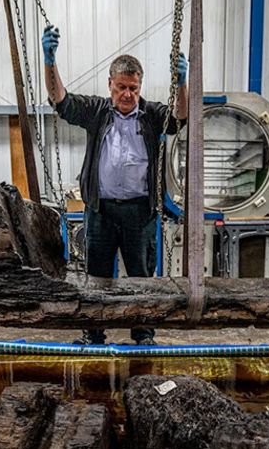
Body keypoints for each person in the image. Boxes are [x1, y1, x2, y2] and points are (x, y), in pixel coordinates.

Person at [42, 25, 188, 346]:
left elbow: (180, 117)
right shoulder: (96, 112)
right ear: (110, 84)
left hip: (140, 213)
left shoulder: (151, 115)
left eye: (133, 88)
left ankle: (143, 334)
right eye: (121, 87)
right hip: (102, 212)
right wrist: (49, 61)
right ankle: (94, 334)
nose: (127, 94)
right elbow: (61, 101)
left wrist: (182, 83)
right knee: (97, 278)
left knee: (141, 279)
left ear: (140, 87)